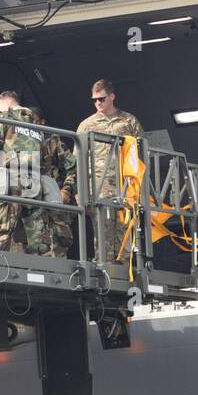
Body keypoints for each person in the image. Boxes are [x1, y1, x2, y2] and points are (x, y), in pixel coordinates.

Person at [75, 79, 142, 263]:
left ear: (112, 97)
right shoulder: (87, 125)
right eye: (95, 100)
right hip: (98, 187)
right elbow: (77, 160)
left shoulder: (128, 121)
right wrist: (79, 191)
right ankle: (105, 270)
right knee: (103, 234)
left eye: (102, 99)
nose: (98, 103)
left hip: (125, 186)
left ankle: (125, 269)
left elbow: (142, 154)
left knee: (125, 232)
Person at [0, 91, 44, 253]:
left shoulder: (1, 120)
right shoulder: (36, 125)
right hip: (34, 184)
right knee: (36, 239)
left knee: (0, 234)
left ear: (6, 104)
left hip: (11, 185)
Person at [32, 109, 74, 258]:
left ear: (42, 122)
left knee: (57, 249)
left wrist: (66, 190)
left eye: (34, 121)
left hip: (54, 205)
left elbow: (73, 169)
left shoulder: (53, 142)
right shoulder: (20, 142)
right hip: (32, 205)